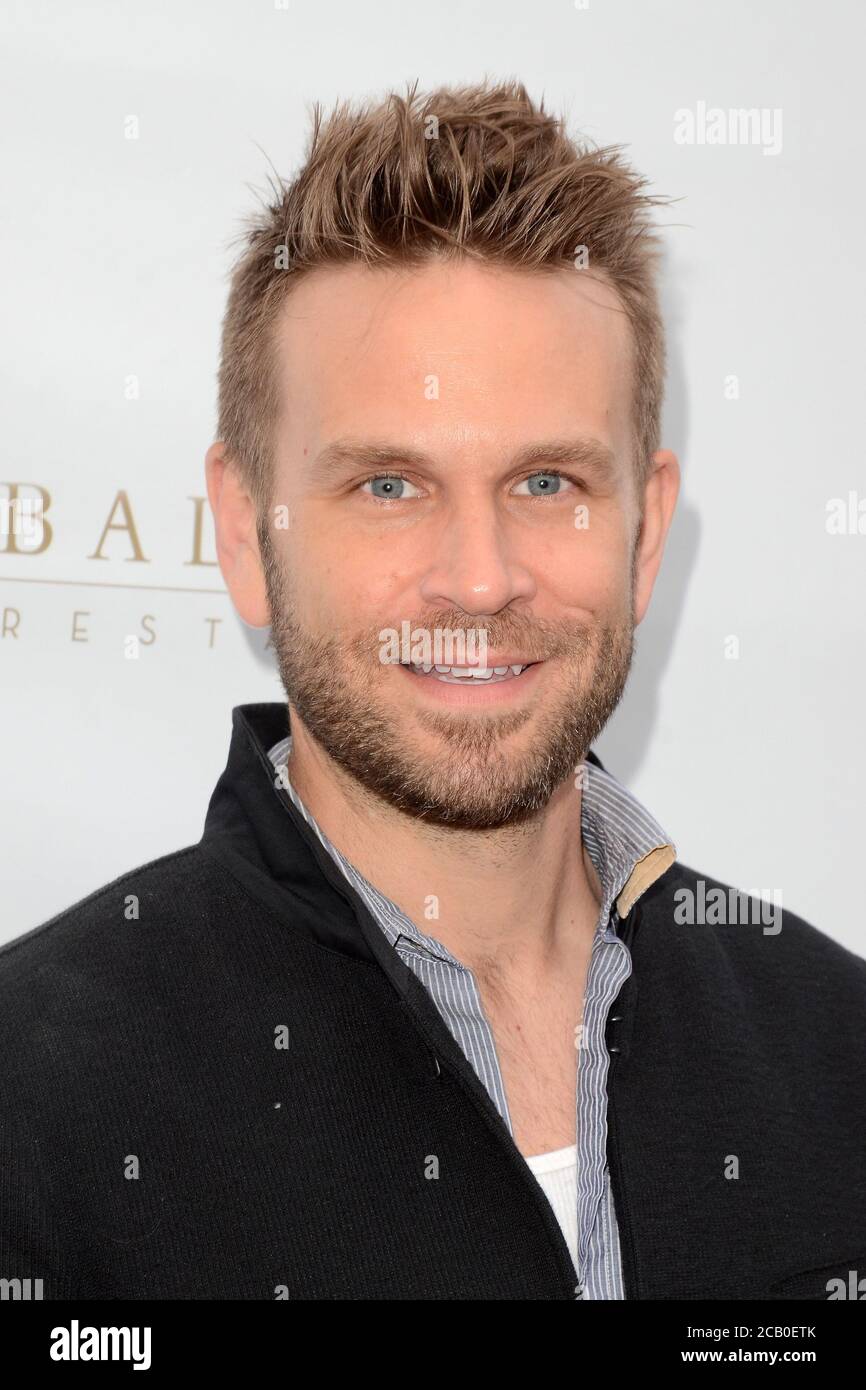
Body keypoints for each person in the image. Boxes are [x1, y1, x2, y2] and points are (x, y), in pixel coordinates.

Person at [2, 80, 864, 1301]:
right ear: (248, 531)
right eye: (390, 487)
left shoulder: (836, 1052)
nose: (479, 579)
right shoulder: (34, 1113)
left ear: (646, 528)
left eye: (549, 481)